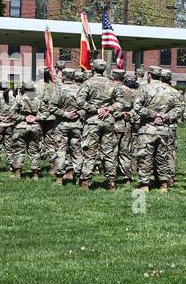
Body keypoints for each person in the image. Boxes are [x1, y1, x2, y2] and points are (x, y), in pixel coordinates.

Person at [133, 66, 182, 190]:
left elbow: (137, 107)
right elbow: (179, 108)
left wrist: (154, 115)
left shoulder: (144, 89)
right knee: (163, 157)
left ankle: (144, 184)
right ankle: (163, 185)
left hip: (147, 129)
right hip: (164, 129)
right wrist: (165, 116)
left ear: (149, 75)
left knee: (145, 156)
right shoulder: (172, 91)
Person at [76, 60, 119, 189]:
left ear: (93, 68)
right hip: (108, 121)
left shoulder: (88, 83)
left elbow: (80, 101)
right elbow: (121, 103)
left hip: (92, 121)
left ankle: (85, 182)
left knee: (89, 151)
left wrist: (95, 109)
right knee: (109, 152)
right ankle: (112, 182)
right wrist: (109, 109)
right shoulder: (112, 84)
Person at [50, 68, 84, 184]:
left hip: (62, 125)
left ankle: (59, 178)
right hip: (77, 125)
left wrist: (65, 114)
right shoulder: (81, 89)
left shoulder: (59, 89)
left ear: (63, 76)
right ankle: (79, 177)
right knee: (77, 151)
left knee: (61, 151)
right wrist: (78, 113)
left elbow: (52, 107)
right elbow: (86, 108)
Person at [10, 80, 45, 178]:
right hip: (35, 127)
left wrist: (23, 118)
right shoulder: (38, 100)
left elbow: (11, 113)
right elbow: (46, 113)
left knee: (19, 150)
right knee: (34, 150)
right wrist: (36, 118)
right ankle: (35, 174)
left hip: (21, 127)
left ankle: (18, 173)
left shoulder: (19, 99)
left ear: (24, 89)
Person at [111, 68, 139, 185]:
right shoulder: (131, 91)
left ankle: (111, 177)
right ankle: (127, 177)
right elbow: (136, 108)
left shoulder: (111, 89)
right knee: (125, 152)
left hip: (113, 123)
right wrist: (129, 114)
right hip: (127, 124)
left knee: (112, 151)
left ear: (114, 77)